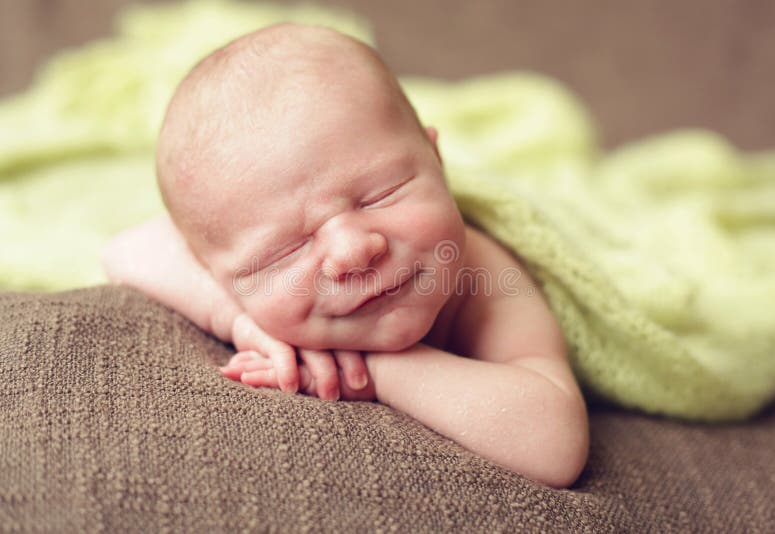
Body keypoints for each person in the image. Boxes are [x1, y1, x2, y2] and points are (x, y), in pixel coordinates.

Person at [101, 23, 589, 488]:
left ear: (437, 162)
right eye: (286, 250)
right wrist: (240, 323)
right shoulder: (230, 248)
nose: (353, 251)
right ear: (213, 271)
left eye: (381, 195)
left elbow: (554, 444)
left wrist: (373, 370)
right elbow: (124, 250)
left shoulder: (480, 277)